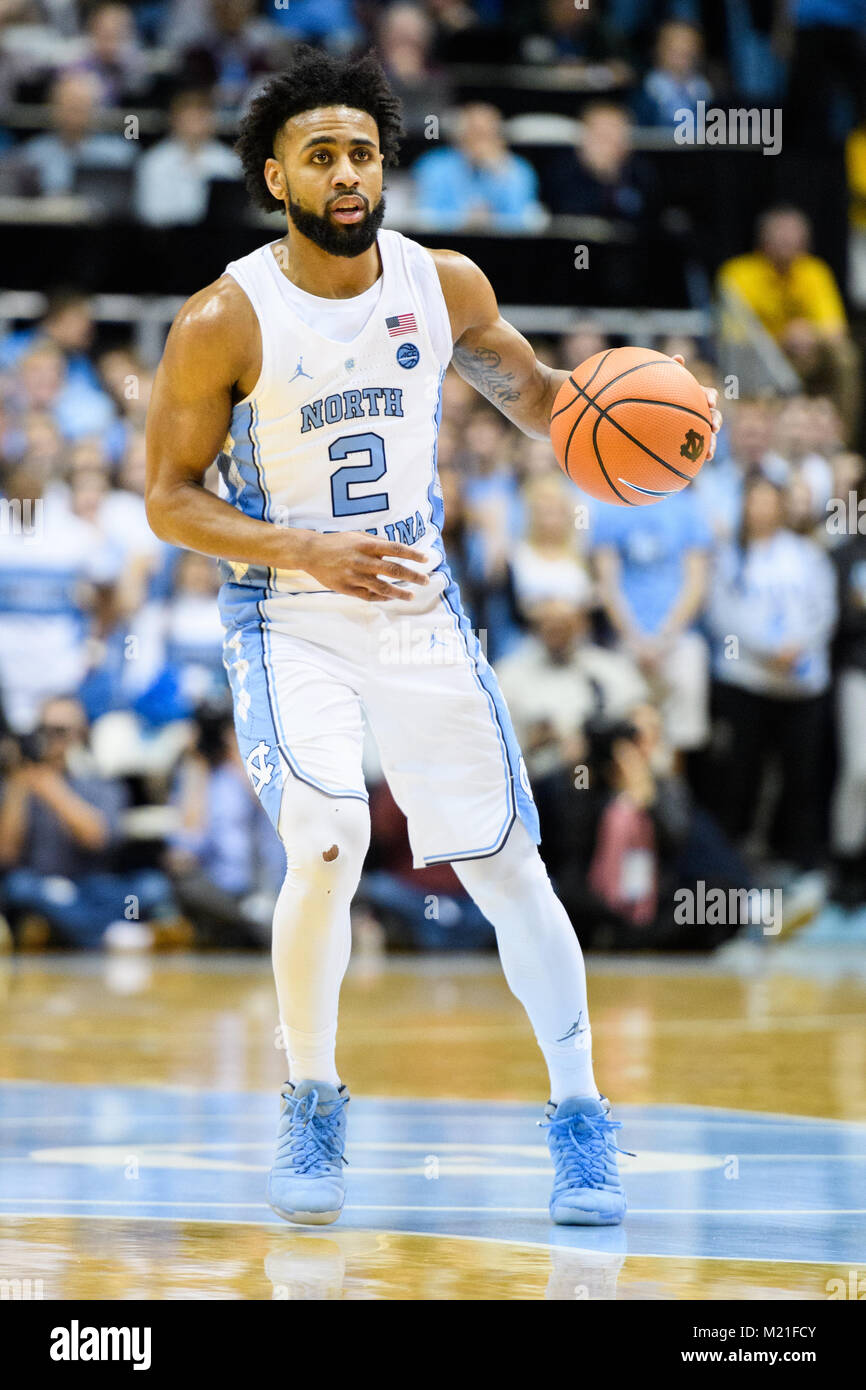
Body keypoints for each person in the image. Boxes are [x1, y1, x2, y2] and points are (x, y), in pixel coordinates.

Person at [145, 44, 720, 1229]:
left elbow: (543, 398)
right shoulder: (221, 319)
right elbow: (168, 496)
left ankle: (580, 1120)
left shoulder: (443, 283)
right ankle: (311, 1097)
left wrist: (649, 404)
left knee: (507, 866)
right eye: (322, 154)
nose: (347, 170)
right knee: (327, 839)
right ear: (276, 176)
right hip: (286, 614)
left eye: (362, 149)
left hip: (415, 608)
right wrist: (300, 549)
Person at [717, 207, 861, 443]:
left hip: (802, 356)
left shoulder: (814, 272)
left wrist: (808, 333)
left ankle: (840, 438)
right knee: (737, 371)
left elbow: (836, 331)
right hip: (755, 361)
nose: (788, 240)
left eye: (794, 235)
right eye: (781, 234)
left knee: (844, 356)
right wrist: (781, 338)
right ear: (764, 239)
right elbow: (733, 336)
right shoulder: (739, 273)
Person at [410, 102, 542, 231]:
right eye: (474, 133)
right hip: (445, 244)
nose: (481, 142)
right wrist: (465, 221)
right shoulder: (434, 165)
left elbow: (521, 219)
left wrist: (500, 172)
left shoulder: (518, 170)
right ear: (458, 135)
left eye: (488, 134)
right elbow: (427, 217)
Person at [134, 88, 242, 227]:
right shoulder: (154, 162)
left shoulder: (229, 162)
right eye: (189, 118)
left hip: (217, 238)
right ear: (175, 121)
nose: (195, 125)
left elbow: (235, 213)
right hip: (165, 240)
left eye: (201, 117)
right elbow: (150, 214)